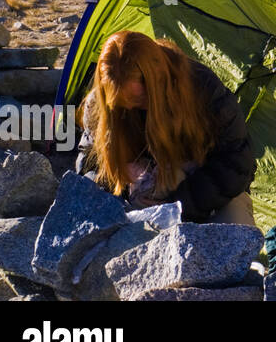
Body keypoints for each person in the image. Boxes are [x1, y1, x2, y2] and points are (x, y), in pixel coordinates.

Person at [75, 30, 258, 225]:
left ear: (157, 80)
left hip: (203, 198)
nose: (129, 107)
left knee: (233, 236)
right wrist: (118, 172)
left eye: (138, 99)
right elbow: (87, 166)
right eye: (121, 103)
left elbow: (237, 164)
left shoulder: (203, 89)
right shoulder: (100, 103)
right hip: (136, 202)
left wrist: (177, 204)